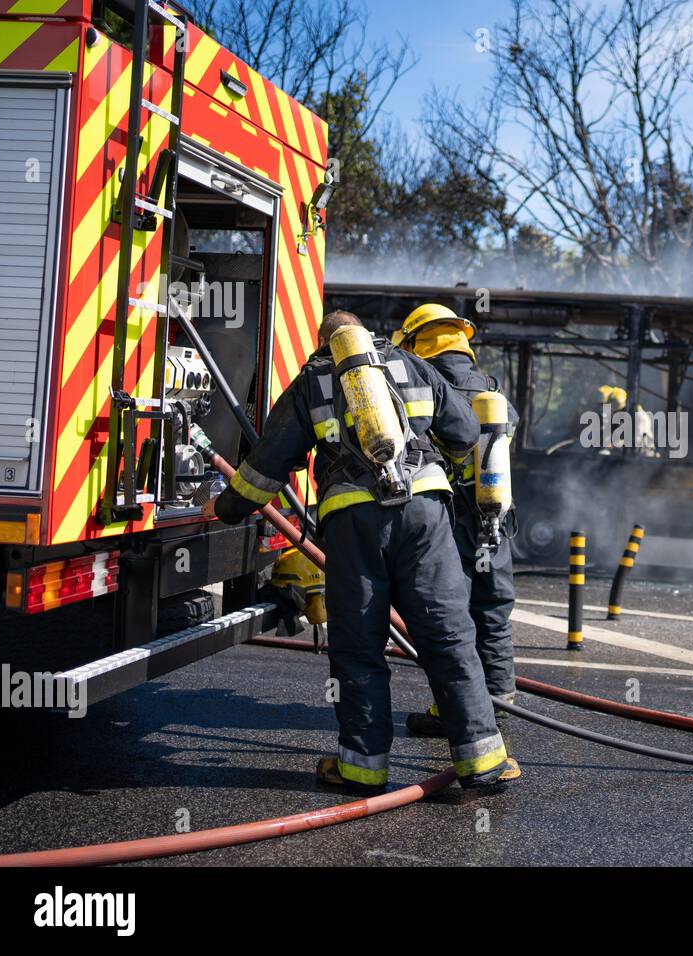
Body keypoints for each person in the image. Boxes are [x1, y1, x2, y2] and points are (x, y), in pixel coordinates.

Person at [203, 310, 518, 793]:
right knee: (448, 633)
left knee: (359, 646)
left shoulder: (315, 380)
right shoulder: (413, 365)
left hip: (354, 524)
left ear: (325, 343)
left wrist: (225, 508)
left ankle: (363, 769)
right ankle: (483, 763)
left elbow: (268, 466)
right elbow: (464, 433)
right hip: (425, 517)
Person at [388, 303, 521, 739]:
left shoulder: (424, 383)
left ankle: (452, 712)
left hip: (449, 517)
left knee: (451, 618)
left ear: (415, 341)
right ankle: (498, 702)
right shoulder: (492, 389)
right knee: (494, 609)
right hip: (496, 516)